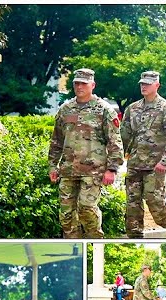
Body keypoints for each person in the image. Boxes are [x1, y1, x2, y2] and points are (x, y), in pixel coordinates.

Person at [49, 68, 122, 238]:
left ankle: (97, 243)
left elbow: (114, 141)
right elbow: (56, 141)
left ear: (92, 85)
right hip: (68, 171)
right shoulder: (65, 109)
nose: (79, 86)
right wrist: (53, 165)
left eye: (83, 83)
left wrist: (112, 169)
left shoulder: (104, 110)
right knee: (66, 215)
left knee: (87, 209)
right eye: (76, 83)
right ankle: (75, 250)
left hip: (93, 171)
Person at [119, 71, 166, 238]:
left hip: (155, 167)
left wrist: (164, 161)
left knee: (154, 201)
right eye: (142, 83)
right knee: (132, 205)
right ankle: (135, 238)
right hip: (135, 164)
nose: (143, 86)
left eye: (147, 84)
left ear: (157, 85)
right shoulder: (132, 109)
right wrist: (114, 161)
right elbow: (122, 137)